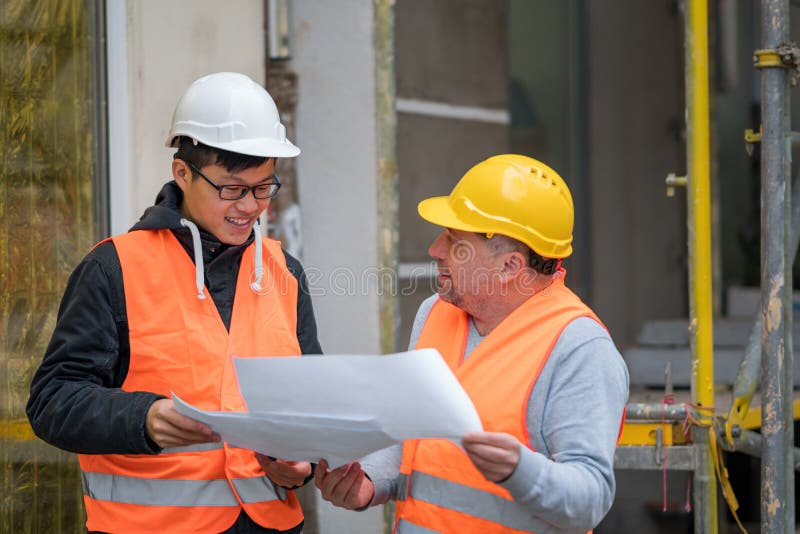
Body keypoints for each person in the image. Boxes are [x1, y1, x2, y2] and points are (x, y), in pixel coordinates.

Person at [26, 72, 321, 534]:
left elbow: (312, 405)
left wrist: (304, 464)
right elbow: (52, 401)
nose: (249, 206)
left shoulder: (286, 273)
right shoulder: (113, 268)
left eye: (264, 188)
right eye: (232, 188)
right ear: (182, 173)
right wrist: (142, 419)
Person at [315, 154, 630, 533]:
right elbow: (413, 440)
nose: (435, 250)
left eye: (455, 242)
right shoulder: (435, 312)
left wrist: (520, 470)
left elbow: (588, 501)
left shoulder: (579, 348)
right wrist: (368, 482)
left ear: (510, 266)